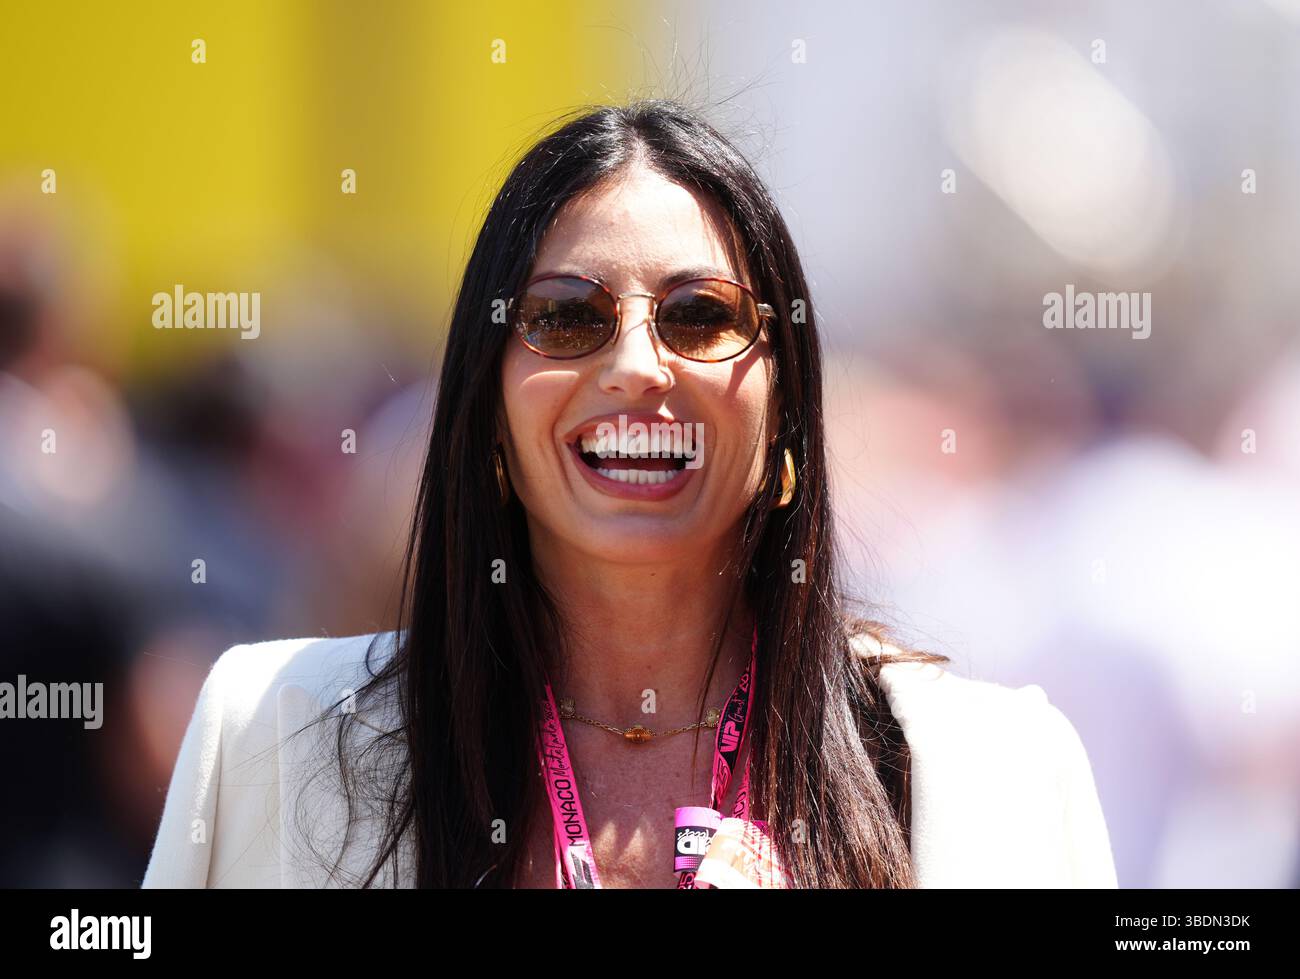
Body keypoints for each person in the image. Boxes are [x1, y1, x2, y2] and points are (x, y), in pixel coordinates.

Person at [140, 99, 1118, 889]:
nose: (638, 367)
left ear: (787, 408)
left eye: (700, 317)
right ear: (487, 403)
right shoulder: (268, 738)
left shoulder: (999, 769)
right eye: (568, 319)